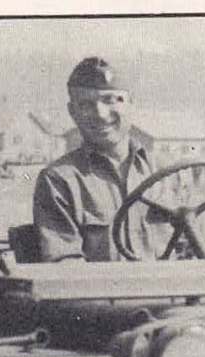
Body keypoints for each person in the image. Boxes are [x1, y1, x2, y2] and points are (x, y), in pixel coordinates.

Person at [32, 57, 165, 261]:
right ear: (73, 112)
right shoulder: (60, 181)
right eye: (86, 104)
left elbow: (194, 250)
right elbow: (64, 268)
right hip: (99, 293)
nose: (101, 114)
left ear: (131, 104)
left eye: (111, 100)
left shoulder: (166, 173)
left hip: (169, 291)